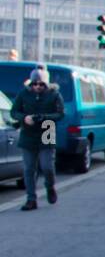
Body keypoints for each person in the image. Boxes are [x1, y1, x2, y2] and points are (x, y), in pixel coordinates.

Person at [9, 68, 63, 211]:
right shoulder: (23, 94)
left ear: (46, 84)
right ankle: (31, 199)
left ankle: (50, 187)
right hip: (28, 132)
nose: (37, 86)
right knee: (29, 169)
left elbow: (60, 114)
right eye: (35, 84)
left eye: (41, 84)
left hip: (47, 129)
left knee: (47, 166)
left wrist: (44, 117)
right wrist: (24, 118)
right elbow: (14, 111)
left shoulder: (54, 95)